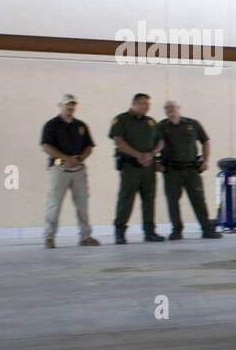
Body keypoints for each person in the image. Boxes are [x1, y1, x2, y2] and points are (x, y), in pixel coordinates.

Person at [155, 101, 222, 240]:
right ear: (164, 111)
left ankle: (207, 229)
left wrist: (205, 160)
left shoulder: (193, 124)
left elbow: (205, 141)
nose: (170, 110)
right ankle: (177, 230)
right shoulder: (160, 126)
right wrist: (156, 164)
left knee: (198, 199)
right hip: (171, 170)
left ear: (179, 108)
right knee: (172, 201)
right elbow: (154, 145)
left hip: (191, 169)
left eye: (172, 107)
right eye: (167, 108)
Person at [40, 94, 99, 248]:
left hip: (78, 168)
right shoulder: (51, 125)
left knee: (82, 203)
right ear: (60, 105)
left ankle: (85, 237)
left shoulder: (81, 125)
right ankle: (49, 237)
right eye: (67, 104)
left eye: (73, 104)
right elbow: (46, 146)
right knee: (54, 203)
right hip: (59, 168)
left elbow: (89, 146)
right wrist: (65, 158)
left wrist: (79, 159)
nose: (70, 107)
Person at [109, 93, 165, 244]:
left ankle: (149, 232)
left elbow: (160, 141)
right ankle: (120, 232)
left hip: (148, 167)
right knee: (126, 200)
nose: (146, 106)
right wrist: (138, 155)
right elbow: (119, 141)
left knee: (149, 200)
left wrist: (152, 154)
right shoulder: (121, 119)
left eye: (148, 104)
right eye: (142, 103)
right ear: (134, 103)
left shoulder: (151, 122)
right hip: (130, 167)